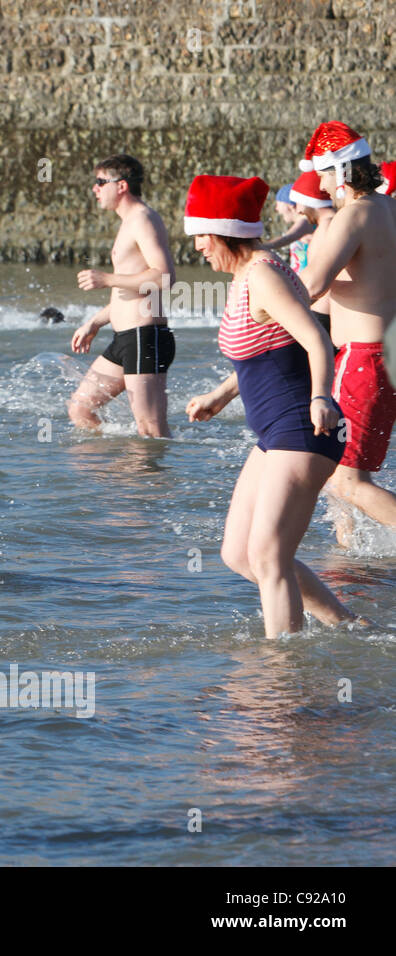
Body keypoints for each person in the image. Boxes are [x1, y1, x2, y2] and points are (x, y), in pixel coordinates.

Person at [182, 175, 358, 637]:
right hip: (277, 433)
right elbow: (267, 348)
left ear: (225, 231)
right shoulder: (250, 274)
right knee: (239, 554)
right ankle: (349, 627)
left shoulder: (262, 276)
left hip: (304, 427)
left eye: (202, 235)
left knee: (268, 556)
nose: (198, 246)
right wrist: (221, 394)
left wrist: (322, 396)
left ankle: (283, 674)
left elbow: (317, 341)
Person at [295, 122, 396, 544]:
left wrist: (261, 287)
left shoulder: (353, 215)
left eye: (321, 174)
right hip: (384, 352)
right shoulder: (388, 207)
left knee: (346, 481)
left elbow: (312, 285)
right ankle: (348, 558)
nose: (318, 184)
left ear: (339, 171)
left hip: (363, 358)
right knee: (341, 467)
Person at [68, 154, 177, 437]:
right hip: (126, 338)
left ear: (122, 186)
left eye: (100, 182)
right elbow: (128, 289)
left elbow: (164, 277)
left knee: (151, 431)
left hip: (145, 336)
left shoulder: (143, 219)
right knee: (80, 409)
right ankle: (122, 473)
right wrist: (95, 321)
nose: (95, 189)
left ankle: (156, 479)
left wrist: (106, 279)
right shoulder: (129, 221)